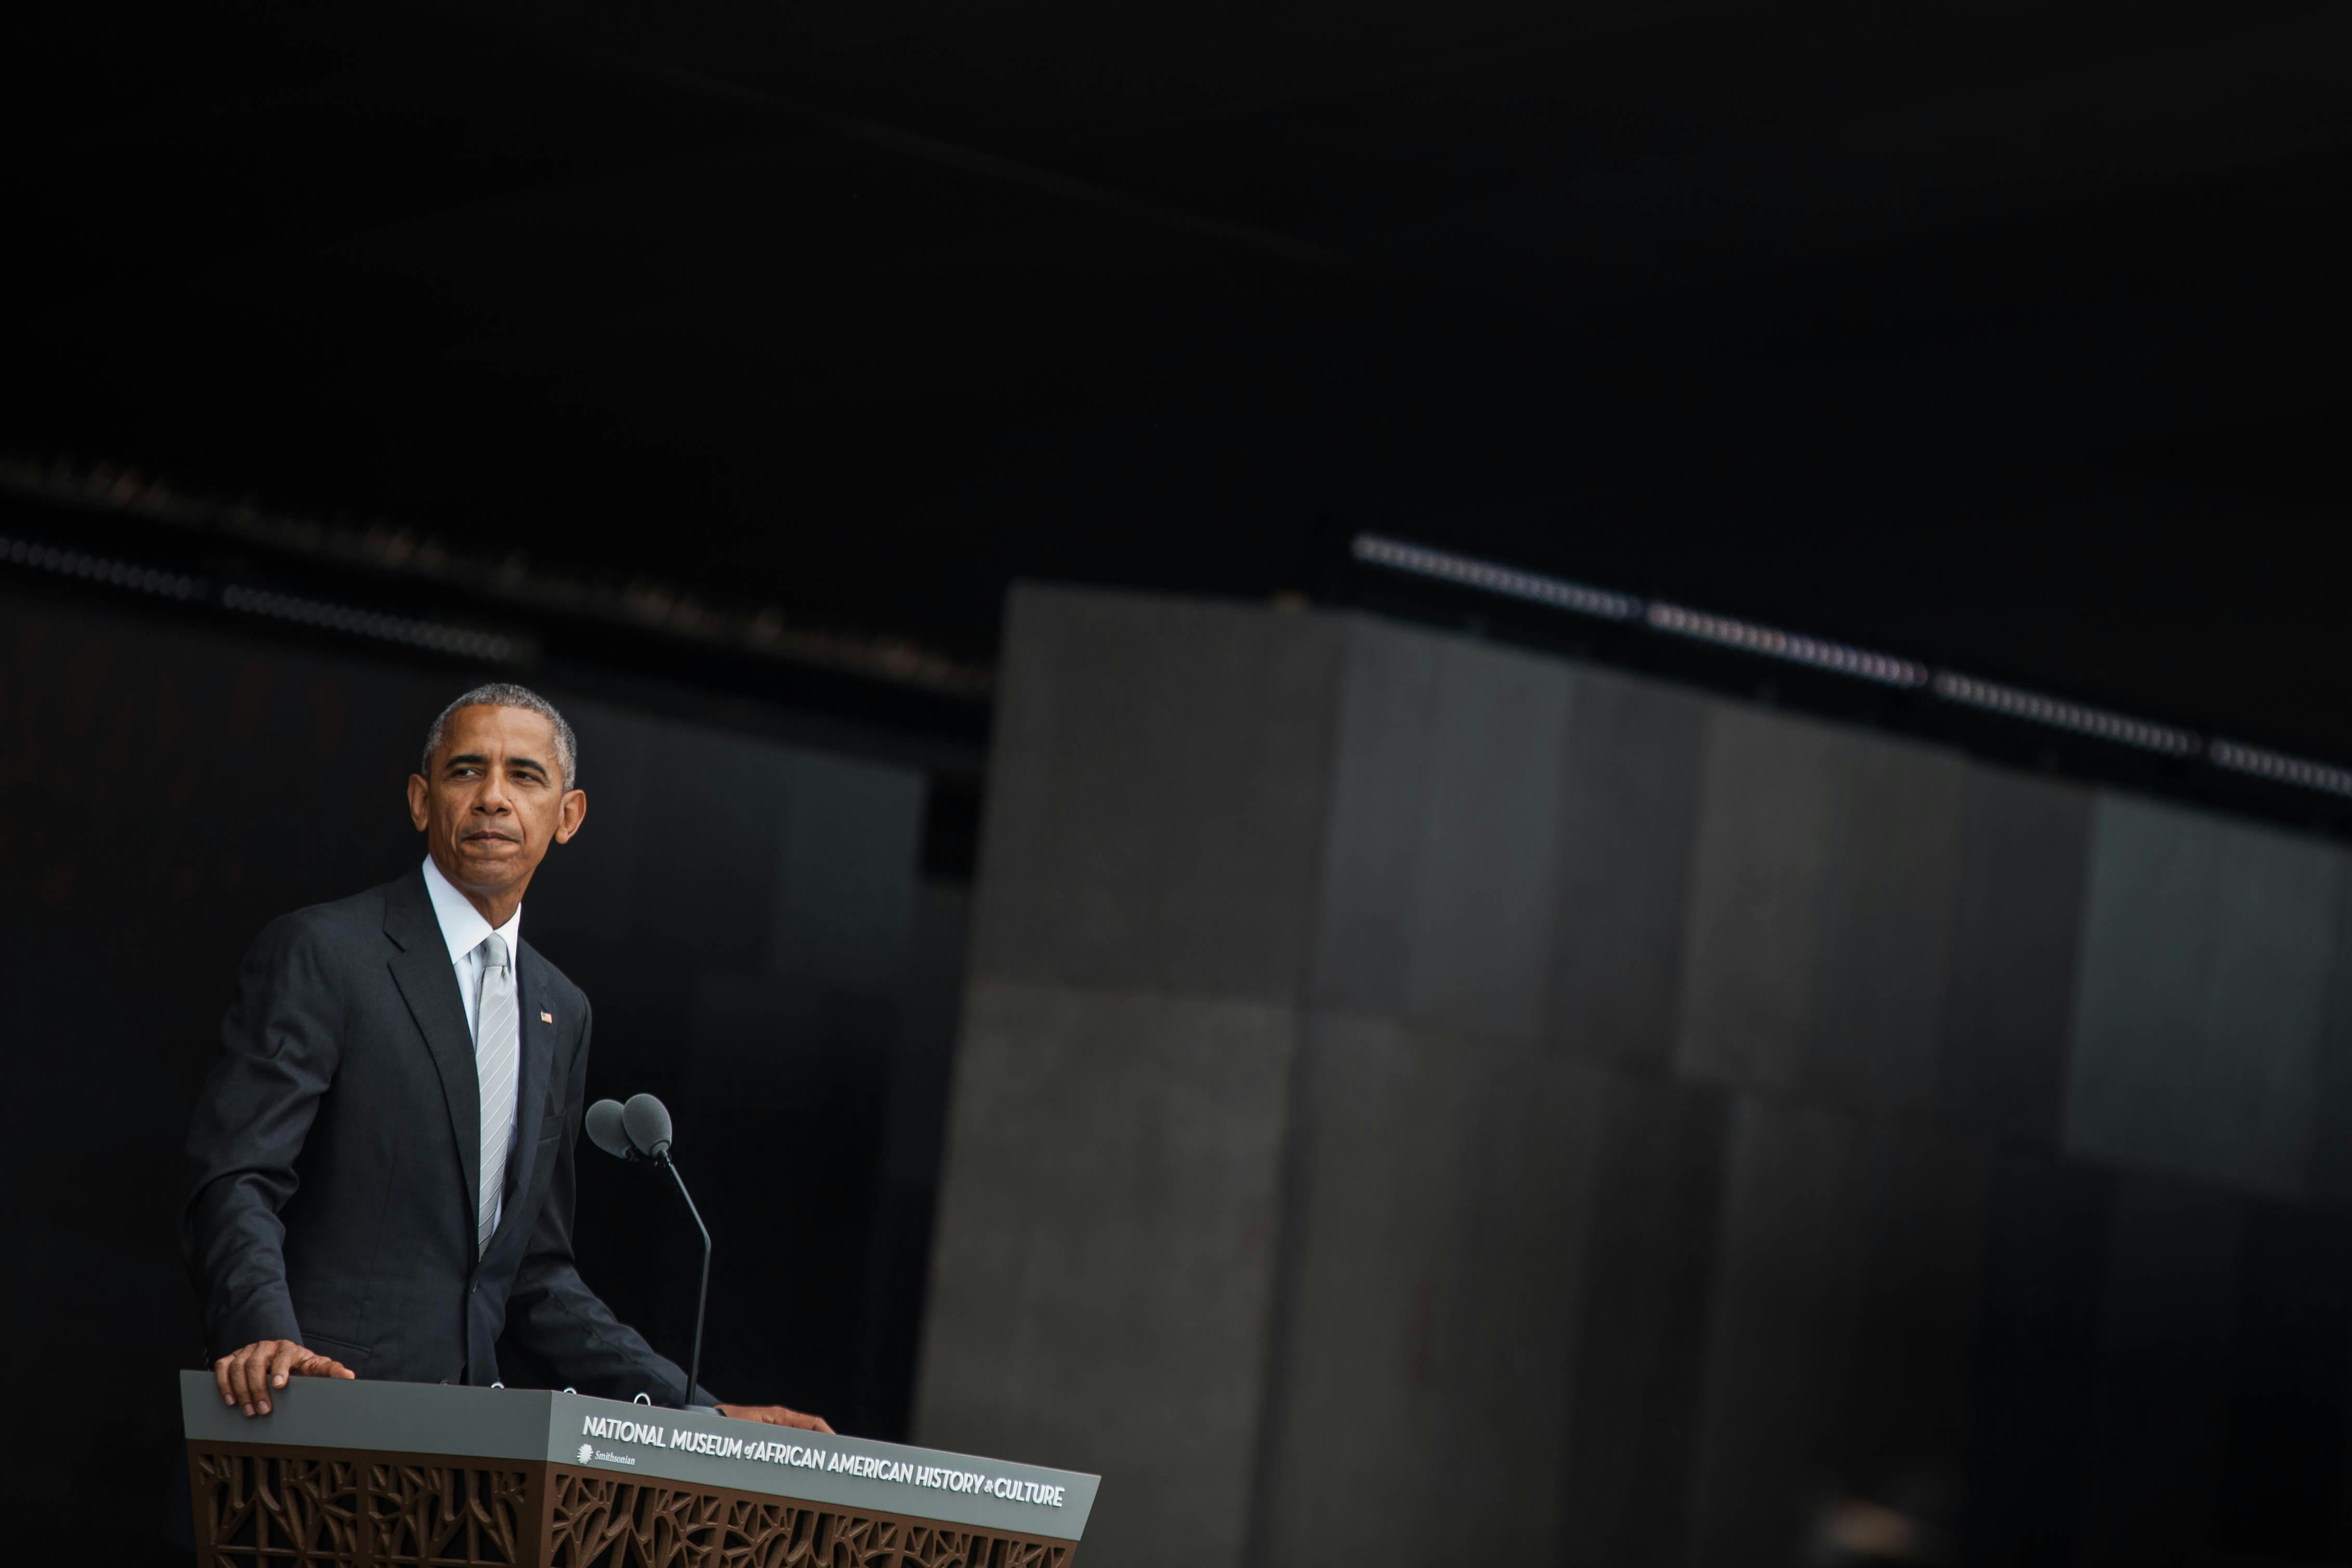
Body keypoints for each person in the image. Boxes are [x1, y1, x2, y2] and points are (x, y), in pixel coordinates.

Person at [182, 682, 829, 1431]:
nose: (493, 797)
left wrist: (700, 1411)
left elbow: (530, 1277)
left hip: (468, 1454)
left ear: (568, 815)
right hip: (313, 1414)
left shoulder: (562, 1007)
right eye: (465, 771)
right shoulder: (326, 953)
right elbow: (235, 1176)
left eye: (524, 775)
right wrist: (264, 1332)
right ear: (422, 801)